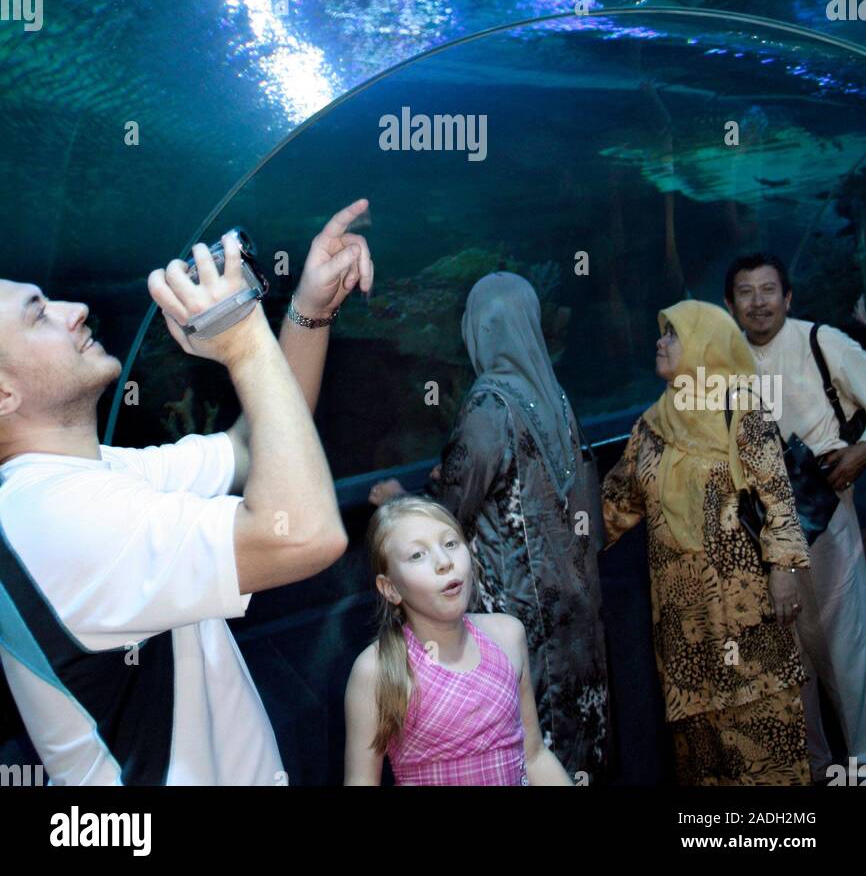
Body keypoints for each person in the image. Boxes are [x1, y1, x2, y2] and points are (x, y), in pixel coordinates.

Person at [0, 198, 373, 785]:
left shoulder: (78, 482)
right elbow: (305, 534)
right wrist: (243, 341)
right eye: (38, 314)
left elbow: (255, 450)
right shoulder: (53, 521)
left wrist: (309, 309)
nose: (75, 310)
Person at [370, 270, 608, 783]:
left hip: (520, 612)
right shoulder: (554, 394)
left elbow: (450, 505)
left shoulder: (488, 404)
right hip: (574, 606)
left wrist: (399, 502)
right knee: (573, 745)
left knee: (528, 743)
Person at [602, 299, 811, 786]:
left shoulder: (740, 407)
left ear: (704, 345)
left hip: (746, 605)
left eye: (672, 334)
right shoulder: (650, 428)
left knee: (762, 727)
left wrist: (784, 571)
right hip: (681, 617)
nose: (660, 341)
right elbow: (614, 506)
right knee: (701, 742)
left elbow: (777, 496)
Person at [725, 252, 866, 780]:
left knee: (849, 655)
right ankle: (815, 770)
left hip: (825, 513)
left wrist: (861, 451)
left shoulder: (820, 341)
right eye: (746, 292)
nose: (758, 302)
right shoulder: (723, 361)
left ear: (789, 297)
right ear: (730, 304)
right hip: (758, 532)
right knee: (791, 663)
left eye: (769, 290)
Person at [343, 494, 572, 785]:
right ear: (390, 589)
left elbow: (534, 754)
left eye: (450, 543)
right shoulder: (376, 670)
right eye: (417, 555)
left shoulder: (508, 635)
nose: (444, 562)